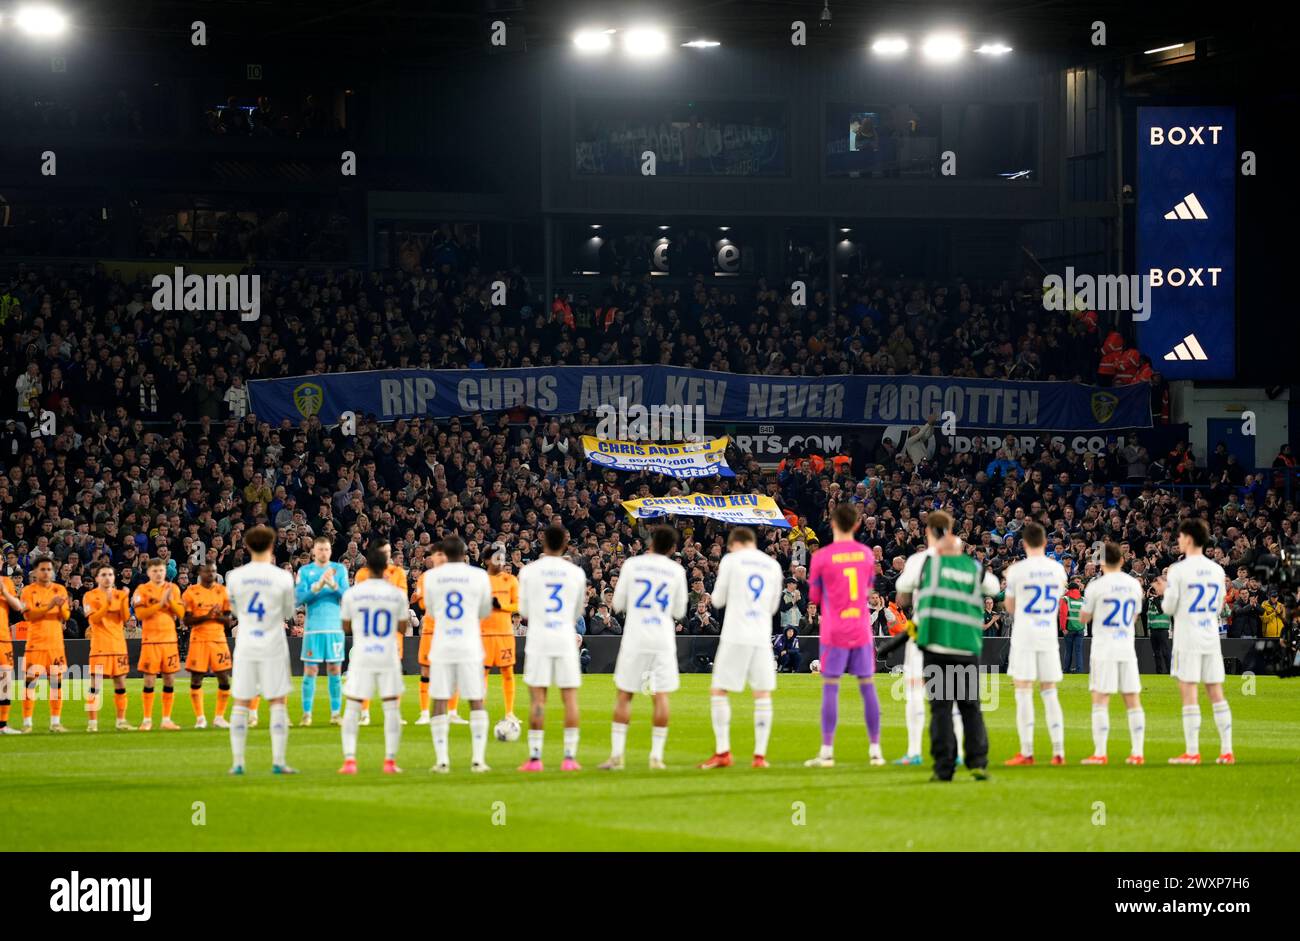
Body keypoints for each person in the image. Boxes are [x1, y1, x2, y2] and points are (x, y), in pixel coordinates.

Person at [895, 510, 997, 782]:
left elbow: (901, 593)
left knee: (931, 700)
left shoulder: (921, 562)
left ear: (928, 531)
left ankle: (925, 755)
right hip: (965, 641)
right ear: (953, 533)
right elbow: (994, 586)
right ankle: (975, 759)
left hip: (930, 636)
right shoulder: (969, 564)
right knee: (968, 705)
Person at [803, 503, 884, 768]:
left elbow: (814, 597)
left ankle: (826, 752)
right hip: (860, 628)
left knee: (831, 687)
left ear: (833, 524)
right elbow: (867, 589)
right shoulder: (865, 555)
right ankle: (875, 750)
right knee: (867, 686)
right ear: (858, 525)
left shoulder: (822, 557)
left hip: (834, 629)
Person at [600, 526, 687, 771]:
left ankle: (617, 756)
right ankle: (656, 757)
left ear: (650, 542)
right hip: (662, 638)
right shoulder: (676, 570)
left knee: (625, 694)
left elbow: (617, 603)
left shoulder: (632, 565)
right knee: (660, 695)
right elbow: (679, 611)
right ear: (672, 548)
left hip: (636, 637)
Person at [698, 527, 782, 770]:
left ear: (734, 544)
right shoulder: (772, 565)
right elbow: (773, 606)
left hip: (735, 634)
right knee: (762, 694)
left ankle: (723, 752)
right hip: (761, 635)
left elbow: (718, 600)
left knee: (719, 690)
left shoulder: (731, 561)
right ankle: (759, 756)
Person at [1154, 518, 1234, 765]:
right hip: (1210, 636)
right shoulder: (1217, 570)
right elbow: (1221, 605)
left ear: (1188, 539)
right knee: (1216, 692)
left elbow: (1168, 607)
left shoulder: (1179, 570)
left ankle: (1192, 751)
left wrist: (1163, 591)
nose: (1178, 541)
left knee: (1189, 692)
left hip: (1188, 638)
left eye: (1179, 537)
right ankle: (1227, 750)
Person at [226, 525, 299, 776]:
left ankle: (238, 763)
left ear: (246, 547)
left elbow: (234, 610)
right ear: (271, 546)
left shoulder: (234, 576)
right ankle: (278, 761)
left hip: (246, 643)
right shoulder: (282, 577)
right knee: (277, 702)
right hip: (273, 645)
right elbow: (290, 612)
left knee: (241, 702)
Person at [517, 524, 588, 772]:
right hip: (564, 637)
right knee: (569, 698)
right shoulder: (575, 573)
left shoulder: (529, 572)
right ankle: (569, 757)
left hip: (539, 639)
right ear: (565, 544)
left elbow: (524, 611)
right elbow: (578, 610)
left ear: (543, 542)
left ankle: (535, 758)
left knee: (538, 698)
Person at [421, 536, 493, 773]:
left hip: (442, 645)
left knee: (440, 699)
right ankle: (478, 759)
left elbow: (430, 609)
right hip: (469, 645)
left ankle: (442, 760)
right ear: (464, 553)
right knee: (475, 699)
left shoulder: (431, 577)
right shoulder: (479, 576)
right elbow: (484, 610)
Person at [338, 543, 412, 775]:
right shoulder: (397, 594)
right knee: (391, 708)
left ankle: (350, 760)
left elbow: (346, 626)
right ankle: (389, 761)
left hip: (362, 655)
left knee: (352, 707)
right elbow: (402, 626)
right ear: (386, 568)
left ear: (367, 567)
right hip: (387, 654)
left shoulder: (353, 593)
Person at [1002, 522, 1069, 766]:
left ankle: (1027, 752)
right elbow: (1059, 595)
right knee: (1050, 692)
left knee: (1023, 691)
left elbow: (1009, 607)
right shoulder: (1057, 569)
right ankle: (1058, 751)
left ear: (1025, 543)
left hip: (1024, 635)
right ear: (1044, 542)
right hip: (1048, 635)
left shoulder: (1017, 570)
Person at [1078, 543, 1146, 765]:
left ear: (1101, 562)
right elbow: (1135, 616)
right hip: (1126, 647)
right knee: (1132, 699)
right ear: (1123, 560)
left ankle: (1100, 753)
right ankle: (1137, 752)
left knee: (1100, 698)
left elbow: (1084, 618)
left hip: (1104, 647)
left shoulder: (1096, 586)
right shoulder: (1134, 585)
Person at [353, 537, 408, 726]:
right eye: (384, 552)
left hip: (392, 632)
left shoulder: (399, 573)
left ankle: (394, 715)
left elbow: (402, 598)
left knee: (393, 674)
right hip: (370, 632)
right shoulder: (362, 574)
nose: (387, 556)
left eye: (389, 552)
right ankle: (365, 714)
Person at [295, 536, 349, 727]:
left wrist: (333, 585)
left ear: (330, 551)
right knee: (310, 671)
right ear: (313, 551)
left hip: (334, 628)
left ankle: (335, 714)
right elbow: (298, 598)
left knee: (335, 670)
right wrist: (317, 587)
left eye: (326, 549)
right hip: (313, 630)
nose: (323, 552)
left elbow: (347, 596)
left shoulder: (339, 569)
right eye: (320, 549)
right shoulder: (305, 571)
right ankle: (306, 714)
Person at [132, 558, 185, 731]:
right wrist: (161, 604)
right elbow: (140, 614)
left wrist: (170, 603)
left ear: (165, 572)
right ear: (148, 573)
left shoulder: (173, 589)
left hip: (169, 640)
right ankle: (146, 719)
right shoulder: (142, 590)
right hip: (151, 641)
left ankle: (166, 719)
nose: (158, 574)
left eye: (161, 571)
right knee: (149, 679)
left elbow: (182, 613)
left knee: (169, 679)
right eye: (154, 571)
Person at [20, 557, 70, 733]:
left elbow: (66, 615)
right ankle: (27, 723)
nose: (47, 572)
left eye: (49, 569)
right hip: (35, 644)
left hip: (56, 644)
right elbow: (29, 616)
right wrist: (50, 606)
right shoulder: (28, 591)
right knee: (30, 683)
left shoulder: (60, 589)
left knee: (56, 683)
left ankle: (55, 723)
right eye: (43, 569)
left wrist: (62, 607)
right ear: (35, 572)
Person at [82, 563, 135, 732]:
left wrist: (125, 600)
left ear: (114, 578)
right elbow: (94, 620)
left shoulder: (120, 595)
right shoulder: (90, 596)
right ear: (97, 578)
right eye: (103, 575)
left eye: (110, 575)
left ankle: (121, 721)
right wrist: (108, 603)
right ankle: (92, 724)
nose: (107, 578)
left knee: (120, 684)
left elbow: (126, 619)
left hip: (118, 645)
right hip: (100, 646)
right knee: (95, 685)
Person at [182, 563, 234, 729]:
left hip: (218, 639)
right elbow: (187, 620)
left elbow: (228, 621)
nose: (211, 574)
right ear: (200, 573)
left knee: (224, 677)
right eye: (207, 571)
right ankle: (200, 718)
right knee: (197, 678)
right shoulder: (191, 592)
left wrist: (216, 616)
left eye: (213, 571)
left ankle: (219, 717)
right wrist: (207, 616)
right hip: (199, 639)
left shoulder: (223, 591)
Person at [474, 548, 521, 726]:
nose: (500, 563)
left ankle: (509, 712)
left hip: (504, 633)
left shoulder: (511, 580)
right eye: (496, 559)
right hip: (483, 633)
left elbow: (517, 604)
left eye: (502, 559)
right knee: (482, 673)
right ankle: (480, 712)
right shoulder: (480, 580)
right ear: (486, 560)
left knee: (508, 672)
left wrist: (501, 605)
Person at [410, 543, 447, 725]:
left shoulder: (427, 578)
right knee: (426, 670)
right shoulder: (425, 577)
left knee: (445, 670)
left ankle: (449, 711)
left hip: (443, 629)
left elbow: (423, 603)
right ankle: (425, 712)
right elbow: (421, 604)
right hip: (435, 629)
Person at [0, 573, 22, 733]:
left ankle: (2, 725)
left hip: (3, 639)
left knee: (5, 681)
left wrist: (4, 592)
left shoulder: (6, 581)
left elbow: (18, 606)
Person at [1145, 583, 1171, 674]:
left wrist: (1155, 597)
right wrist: (1147, 597)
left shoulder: (1166, 600)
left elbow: (1160, 610)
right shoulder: (1151, 600)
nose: (1155, 591)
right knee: (1156, 653)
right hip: (1153, 629)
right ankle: (1159, 672)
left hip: (1162, 629)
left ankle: (1169, 671)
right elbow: (1143, 611)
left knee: (1165, 652)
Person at [1061, 580, 1086, 673]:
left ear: (1069, 589)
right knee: (1078, 651)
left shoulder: (1065, 599)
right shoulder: (1083, 599)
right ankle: (1079, 670)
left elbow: (1063, 614)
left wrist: (1063, 628)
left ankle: (1066, 669)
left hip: (1069, 628)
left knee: (1068, 651)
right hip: (1080, 628)